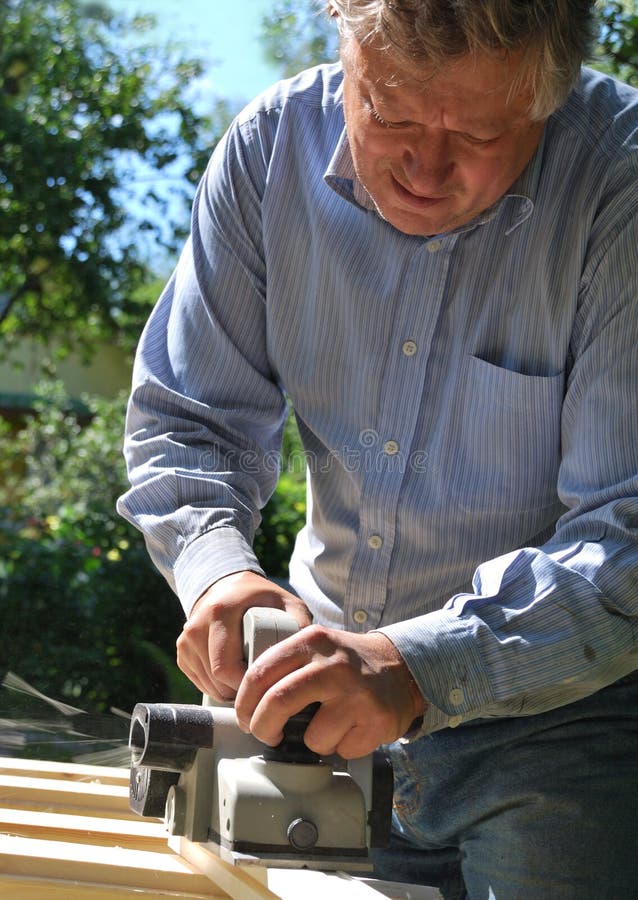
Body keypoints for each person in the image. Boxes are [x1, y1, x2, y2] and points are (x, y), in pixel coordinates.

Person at [118, 1, 638, 896]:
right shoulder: (269, 150)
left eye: (475, 133)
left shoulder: (620, 187)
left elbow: (627, 534)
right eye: (388, 114)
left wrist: (415, 666)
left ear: (547, 100)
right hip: (315, 708)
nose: (424, 169)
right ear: (345, 46)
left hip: (564, 730)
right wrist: (218, 574)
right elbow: (189, 416)